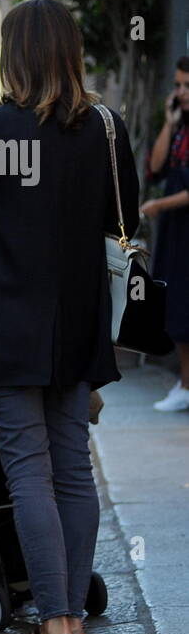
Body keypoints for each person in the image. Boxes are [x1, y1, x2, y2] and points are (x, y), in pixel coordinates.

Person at [0, 0, 139, 634]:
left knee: (28, 470)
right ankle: (70, 620)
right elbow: (126, 217)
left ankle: (53, 628)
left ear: (14, 54)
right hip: (78, 321)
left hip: (5, 325)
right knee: (73, 468)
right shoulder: (105, 128)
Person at [142, 55, 189, 411]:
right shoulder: (180, 128)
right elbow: (156, 167)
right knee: (176, 304)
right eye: (177, 85)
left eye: (186, 85)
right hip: (178, 232)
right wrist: (170, 124)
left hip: (180, 223)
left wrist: (159, 207)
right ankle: (184, 383)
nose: (181, 92)